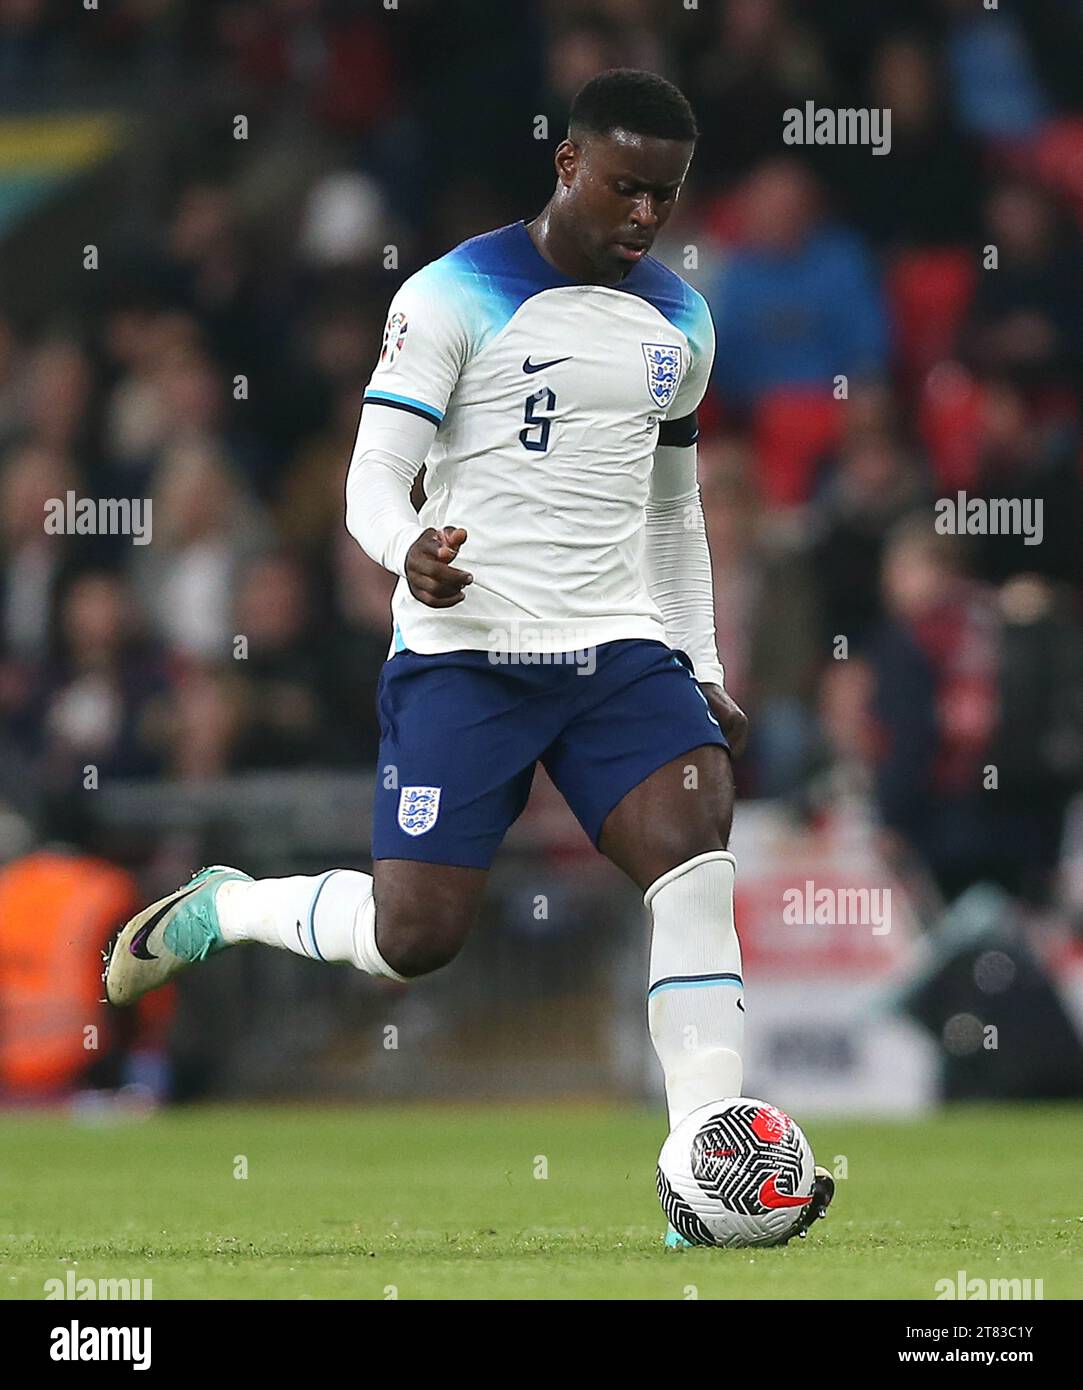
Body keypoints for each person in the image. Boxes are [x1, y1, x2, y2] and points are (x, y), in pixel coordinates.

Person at [104, 69, 831, 1243]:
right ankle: (228, 909)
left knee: (695, 845)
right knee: (415, 941)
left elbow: (672, 509)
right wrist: (409, 552)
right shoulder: (453, 293)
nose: (648, 217)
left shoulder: (681, 320)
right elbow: (369, 482)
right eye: (628, 189)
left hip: (615, 649)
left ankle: (702, 1165)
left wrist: (698, 660)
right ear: (568, 165)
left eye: (667, 196)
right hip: (467, 653)